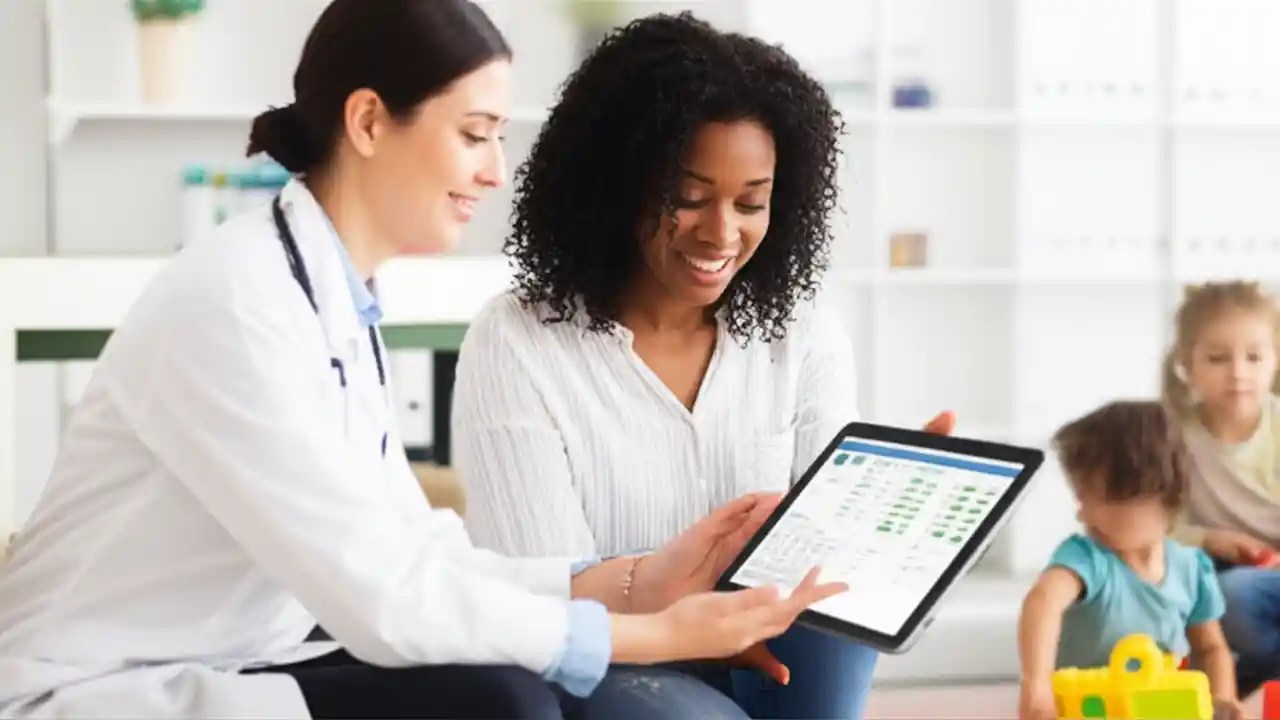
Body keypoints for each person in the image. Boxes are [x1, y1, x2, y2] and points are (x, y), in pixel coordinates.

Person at [0, 2, 846, 718]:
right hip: (99, 687)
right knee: (499, 696)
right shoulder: (237, 303)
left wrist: (633, 579)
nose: (494, 171)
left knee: (495, 683)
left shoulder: (330, 295)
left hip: (246, 656)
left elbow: (419, 551)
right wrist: (653, 632)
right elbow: (388, 601)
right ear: (369, 122)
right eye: (474, 135)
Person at [451, 13, 953, 719]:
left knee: (835, 616)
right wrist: (695, 623)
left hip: (776, 651)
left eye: (751, 203)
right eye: (687, 199)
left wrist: (893, 526)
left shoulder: (804, 335)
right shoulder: (518, 343)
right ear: (618, 185)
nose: (721, 233)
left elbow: (828, 577)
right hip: (614, 666)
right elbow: (545, 601)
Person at [1017, 401, 1242, 720]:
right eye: (1080, 498)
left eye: (1099, 499)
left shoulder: (1191, 568)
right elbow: (1043, 602)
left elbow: (1210, 648)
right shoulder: (1086, 558)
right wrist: (1037, 686)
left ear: (1159, 493)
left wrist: (1222, 698)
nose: (1082, 513)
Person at [1162, 280, 1280, 694]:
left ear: (1276, 360)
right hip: (1218, 574)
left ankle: (1242, 677)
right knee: (1230, 596)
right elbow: (1156, 526)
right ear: (1186, 362)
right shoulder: (1173, 435)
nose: (1238, 373)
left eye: (1254, 357)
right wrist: (1211, 538)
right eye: (1217, 358)